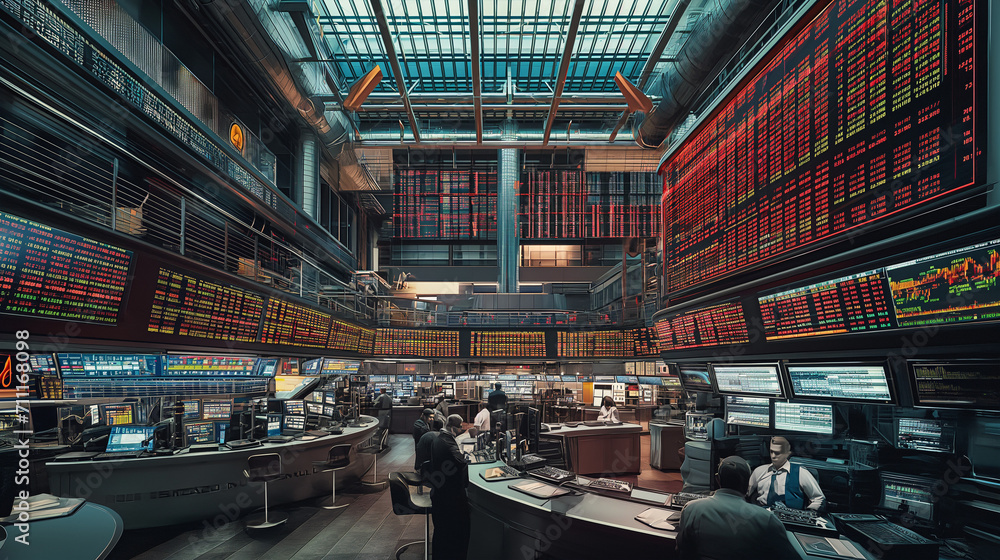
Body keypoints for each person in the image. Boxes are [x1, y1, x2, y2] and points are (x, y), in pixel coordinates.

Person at [676, 456, 800, 560]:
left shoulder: (691, 509)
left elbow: (681, 551)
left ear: (718, 479)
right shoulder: (766, 519)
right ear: (748, 483)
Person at [426, 414, 470, 560]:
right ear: (452, 427)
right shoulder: (447, 442)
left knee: (442, 533)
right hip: (449, 498)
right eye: (459, 428)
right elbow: (461, 463)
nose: (460, 430)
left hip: (440, 493)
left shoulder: (440, 438)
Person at [748, 436, 826, 511]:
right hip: (762, 514)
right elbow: (745, 494)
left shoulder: (800, 472)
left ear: (788, 453)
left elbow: (818, 498)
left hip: (791, 516)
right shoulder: (759, 471)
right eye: (771, 452)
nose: (773, 456)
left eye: (777, 453)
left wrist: (809, 514)